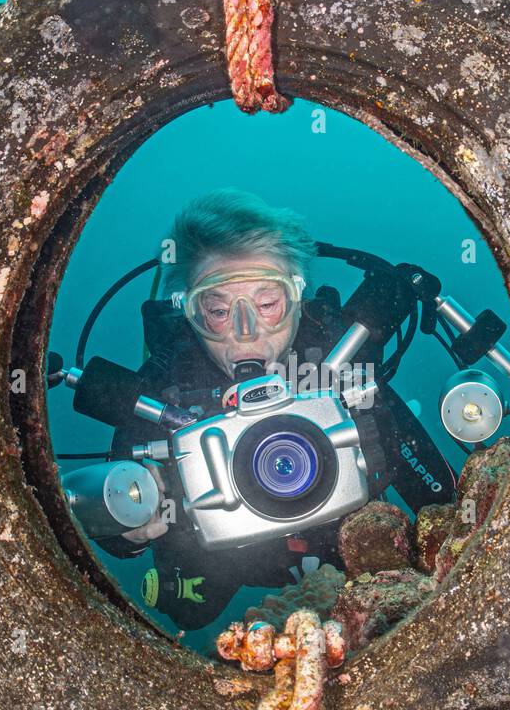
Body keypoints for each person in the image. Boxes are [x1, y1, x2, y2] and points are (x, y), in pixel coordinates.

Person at [97, 188, 453, 630]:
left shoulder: (336, 359)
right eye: (219, 311)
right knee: (191, 609)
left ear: (298, 297)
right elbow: (113, 512)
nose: (246, 332)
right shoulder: (163, 388)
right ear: (188, 312)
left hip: (347, 550)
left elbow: (440, 501)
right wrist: (133, 525)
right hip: (231, 565)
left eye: (268, 304)